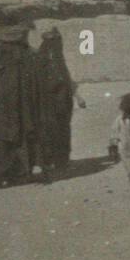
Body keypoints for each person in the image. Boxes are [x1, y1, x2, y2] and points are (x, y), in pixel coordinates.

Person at [0, 22, 44, 187]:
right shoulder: (25, 57)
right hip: (19, 111)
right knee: (17, 140)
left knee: (3, 141)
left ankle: (3, 174)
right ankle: (13, 174)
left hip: (1, 113)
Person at [34, 27, 85, 174]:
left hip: (59, 104)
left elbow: (66, 78)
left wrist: (78, 96)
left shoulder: (51, 58)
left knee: (56, 131)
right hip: (53, 105)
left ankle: (56, 162)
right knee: (56, 131)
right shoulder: (47, 59)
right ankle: (57, 162)